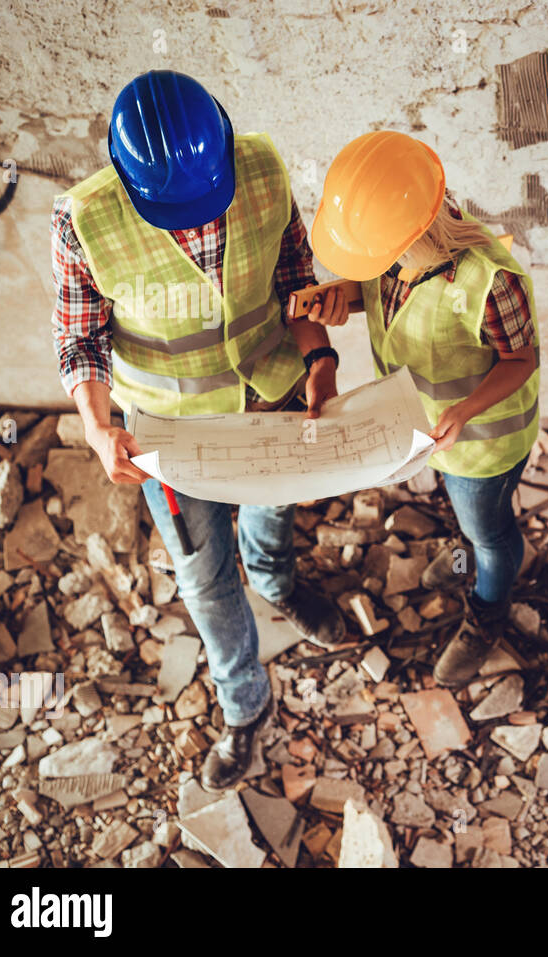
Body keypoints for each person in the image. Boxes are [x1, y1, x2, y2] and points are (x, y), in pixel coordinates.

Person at [52, 70, 349, 791]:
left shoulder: (261, 168)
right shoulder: (82, 221)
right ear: (126, 180)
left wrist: (320, 355)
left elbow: (294, 279)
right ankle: (245, 705)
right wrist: (97, 427)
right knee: (204, 575)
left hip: (267, 395)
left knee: (272, 514)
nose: (191, 224)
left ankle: (277, 580)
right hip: (170, 435)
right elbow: (79, 339)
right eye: (173, 214)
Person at [308, 130, 539, 688]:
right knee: (469, 516)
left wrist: (464, 412)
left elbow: (521, 360)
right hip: (436, 433)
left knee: (490, 529)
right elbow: (398, 303)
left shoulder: (492, 280)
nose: (372, 266)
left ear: (414, 233)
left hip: (483, 445)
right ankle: (468, 549)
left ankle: (488, 611)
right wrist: (344, 293)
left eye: (375, 257)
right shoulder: (397, 259)